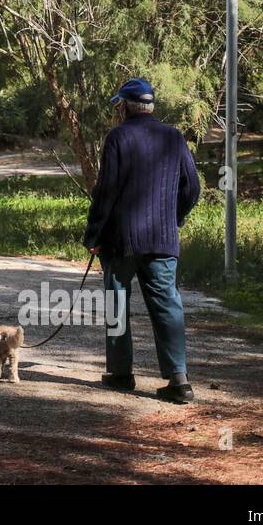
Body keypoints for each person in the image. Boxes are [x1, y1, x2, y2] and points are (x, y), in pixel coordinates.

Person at [83, 78, 202, 404]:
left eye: (117, 105)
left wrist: (93, 234)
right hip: (161, 241)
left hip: (120, 240)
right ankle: (179, 381)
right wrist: (172, 218)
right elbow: (192, 188)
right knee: (167, 306)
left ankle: (121, 375)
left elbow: (105, 192)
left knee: (117, 305)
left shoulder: (118, 137)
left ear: (123, 106)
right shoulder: (174, 137)